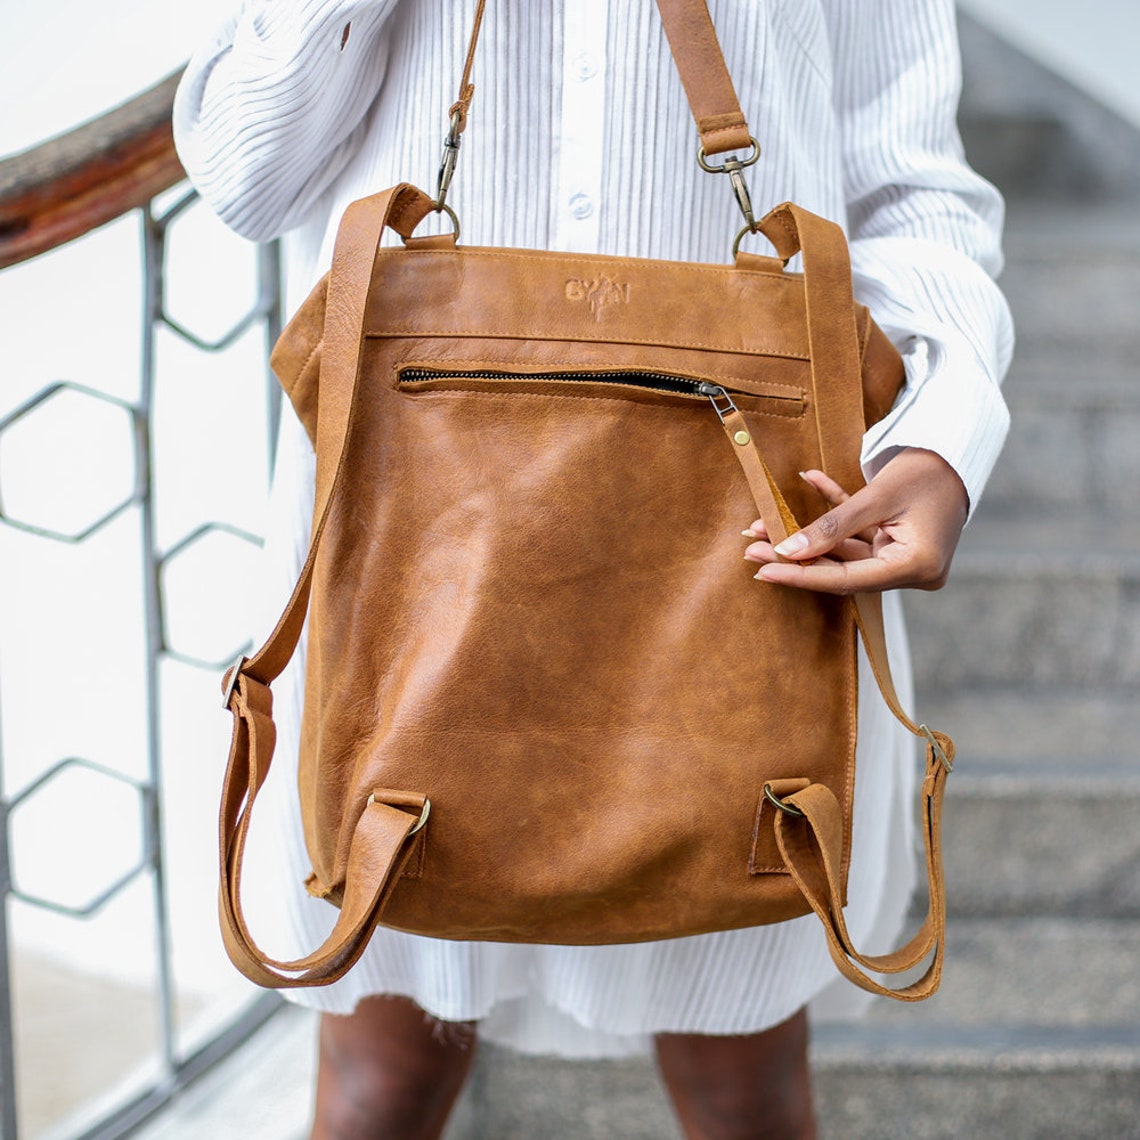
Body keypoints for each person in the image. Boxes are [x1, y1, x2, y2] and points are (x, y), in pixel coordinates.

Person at [174, 2, 1013, 1136]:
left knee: (746, 1088)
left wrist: (945, 436)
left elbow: (909, 182)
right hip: (411, 553)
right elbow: (242, 176)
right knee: (380, 1083)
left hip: (741, 552)